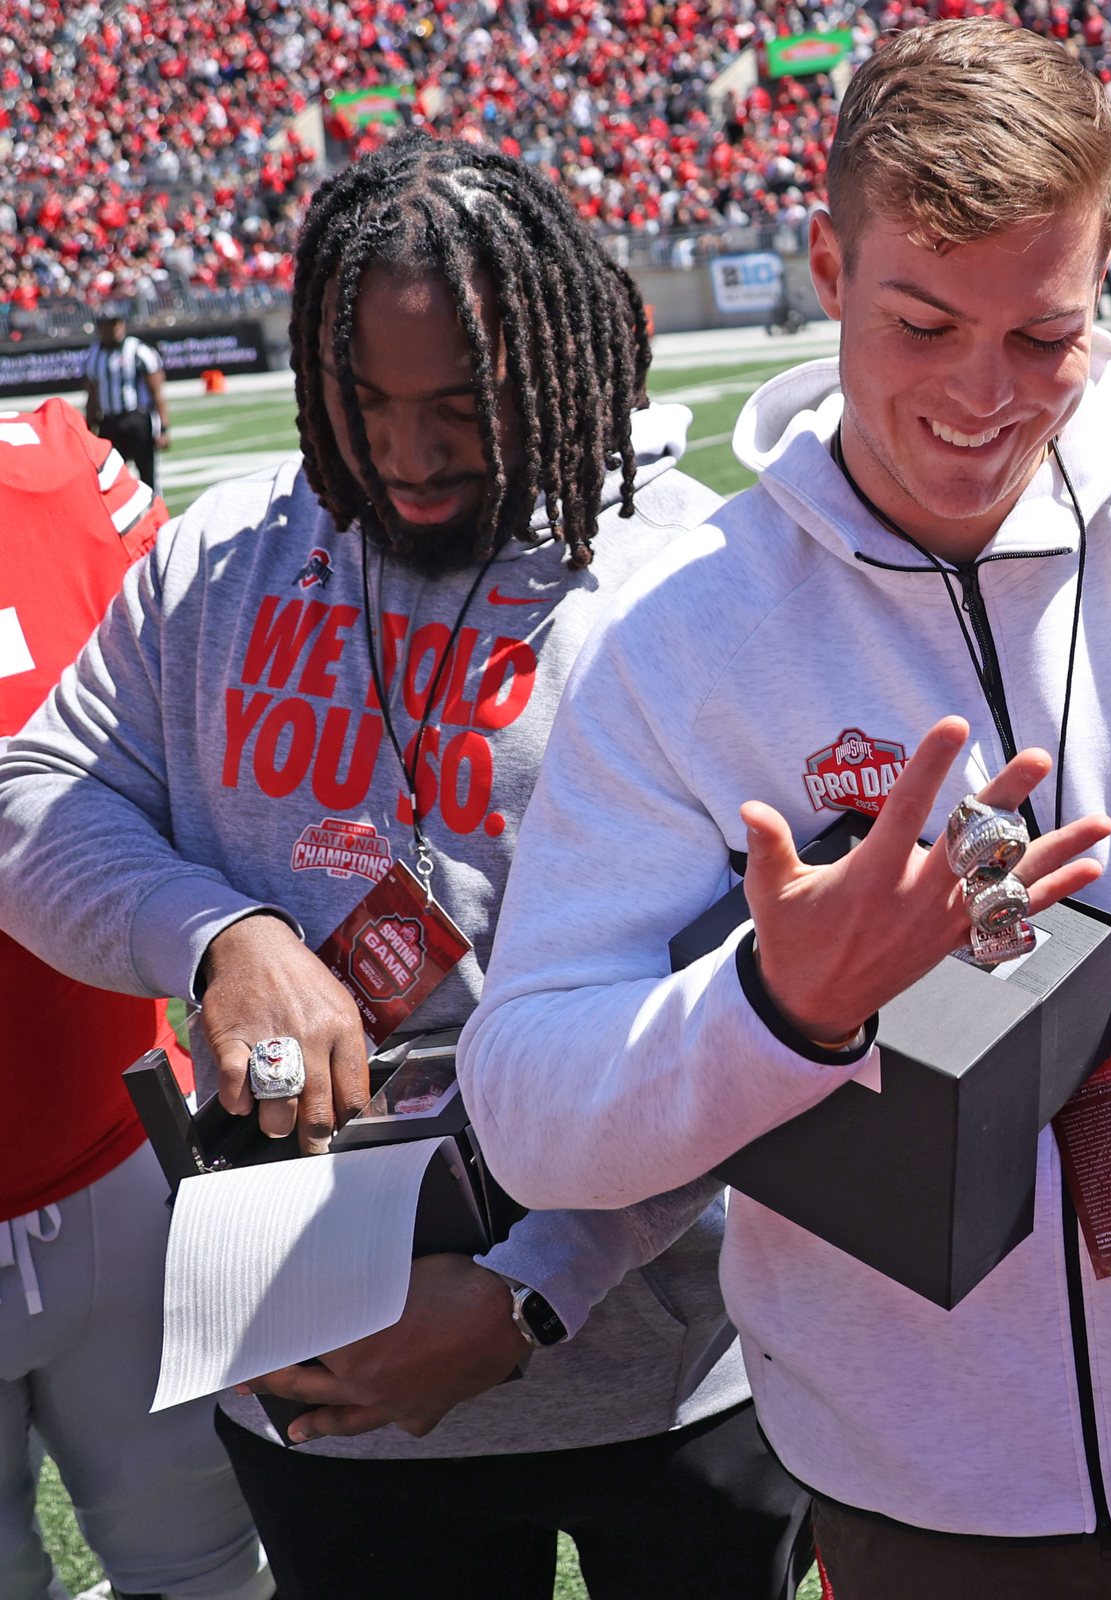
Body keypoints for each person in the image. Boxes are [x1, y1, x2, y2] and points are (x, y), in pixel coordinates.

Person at [460, 20, 1111, 1600]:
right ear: (826, 268)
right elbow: (529, 1112)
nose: (982, 398)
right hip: (916, 1509)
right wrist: (774, 1007)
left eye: (1045, 336)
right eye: (921, 323)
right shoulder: (681, 644)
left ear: (1103, 279)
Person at [0, 137, 811, 1600]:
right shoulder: (221, 558)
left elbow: (759, 1004)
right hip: (312, 1356)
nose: (409, 456)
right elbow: (30, 796)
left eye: (460, 407)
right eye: (364, 403)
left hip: (663, 1357)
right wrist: (217, 932)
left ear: (562, 367)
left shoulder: (688, 582)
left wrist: (529, 1293)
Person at [0, 398, 271, 1600]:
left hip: (121, 1165)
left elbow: (221, 735)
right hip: (114, 1162)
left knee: (210, 1564)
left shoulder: (65, 477)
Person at [81, 315, 170, 490]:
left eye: (118, 324)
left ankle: (154, 506)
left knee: (147, 476)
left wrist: (163, 429)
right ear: (100, 328)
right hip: (109, 421)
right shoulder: (93, 354)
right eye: (110, 325)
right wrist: (88, 430)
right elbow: (92, 395)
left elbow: (157, 393)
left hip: (136, 419)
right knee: (109, 478)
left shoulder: (138, 350)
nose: (116, 329)